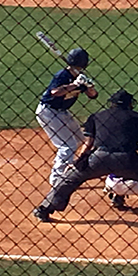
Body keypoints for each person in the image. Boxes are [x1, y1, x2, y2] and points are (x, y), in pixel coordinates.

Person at [33, 89, 138, 230]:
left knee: (70, 180)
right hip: (128, 160)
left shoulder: (96, 117)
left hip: (99, 159)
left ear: (112, 103)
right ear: (130, 104)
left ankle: (44, 209)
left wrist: (78, 164)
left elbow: (88, 145)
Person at [36, 47, 98, 186]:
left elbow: (93, 96)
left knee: (82, 139)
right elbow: (55, 92)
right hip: (48, 112)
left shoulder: (80, 77)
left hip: (62, 113)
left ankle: (86, 168)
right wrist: (74, 85)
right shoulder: (62, 76)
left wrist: (88, 86)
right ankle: (57, 179)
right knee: (67, 146)